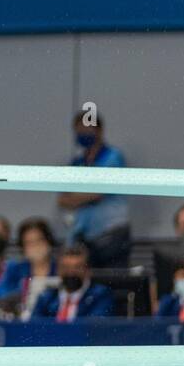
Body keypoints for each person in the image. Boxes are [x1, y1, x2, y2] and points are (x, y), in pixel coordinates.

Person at [57, 111, 132, 267]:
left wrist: (76, 198)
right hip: (84, 236)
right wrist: (82, 196)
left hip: (112, 234)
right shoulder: (77, 162)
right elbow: (62, 199)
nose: (82, 134)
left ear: (99, 130)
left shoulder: (113, 156)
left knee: (114, 282)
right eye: (79, 131)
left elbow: (98, 193)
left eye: (86, 130)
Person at [0, 217, 60, 319]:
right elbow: (0, 295)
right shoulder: (14, 269)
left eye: (39, 240)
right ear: (23, 248)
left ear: (49, 242)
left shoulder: (61, 269)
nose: (35, 246)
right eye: (29, 243)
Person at [31, 246, 116, 320]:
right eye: (66, 267)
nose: (71, 272)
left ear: (87, 270)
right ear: (58, 270)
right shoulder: (46, 298)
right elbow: (34, 327)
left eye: (77, 267)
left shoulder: (100, 296)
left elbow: (95, 328)